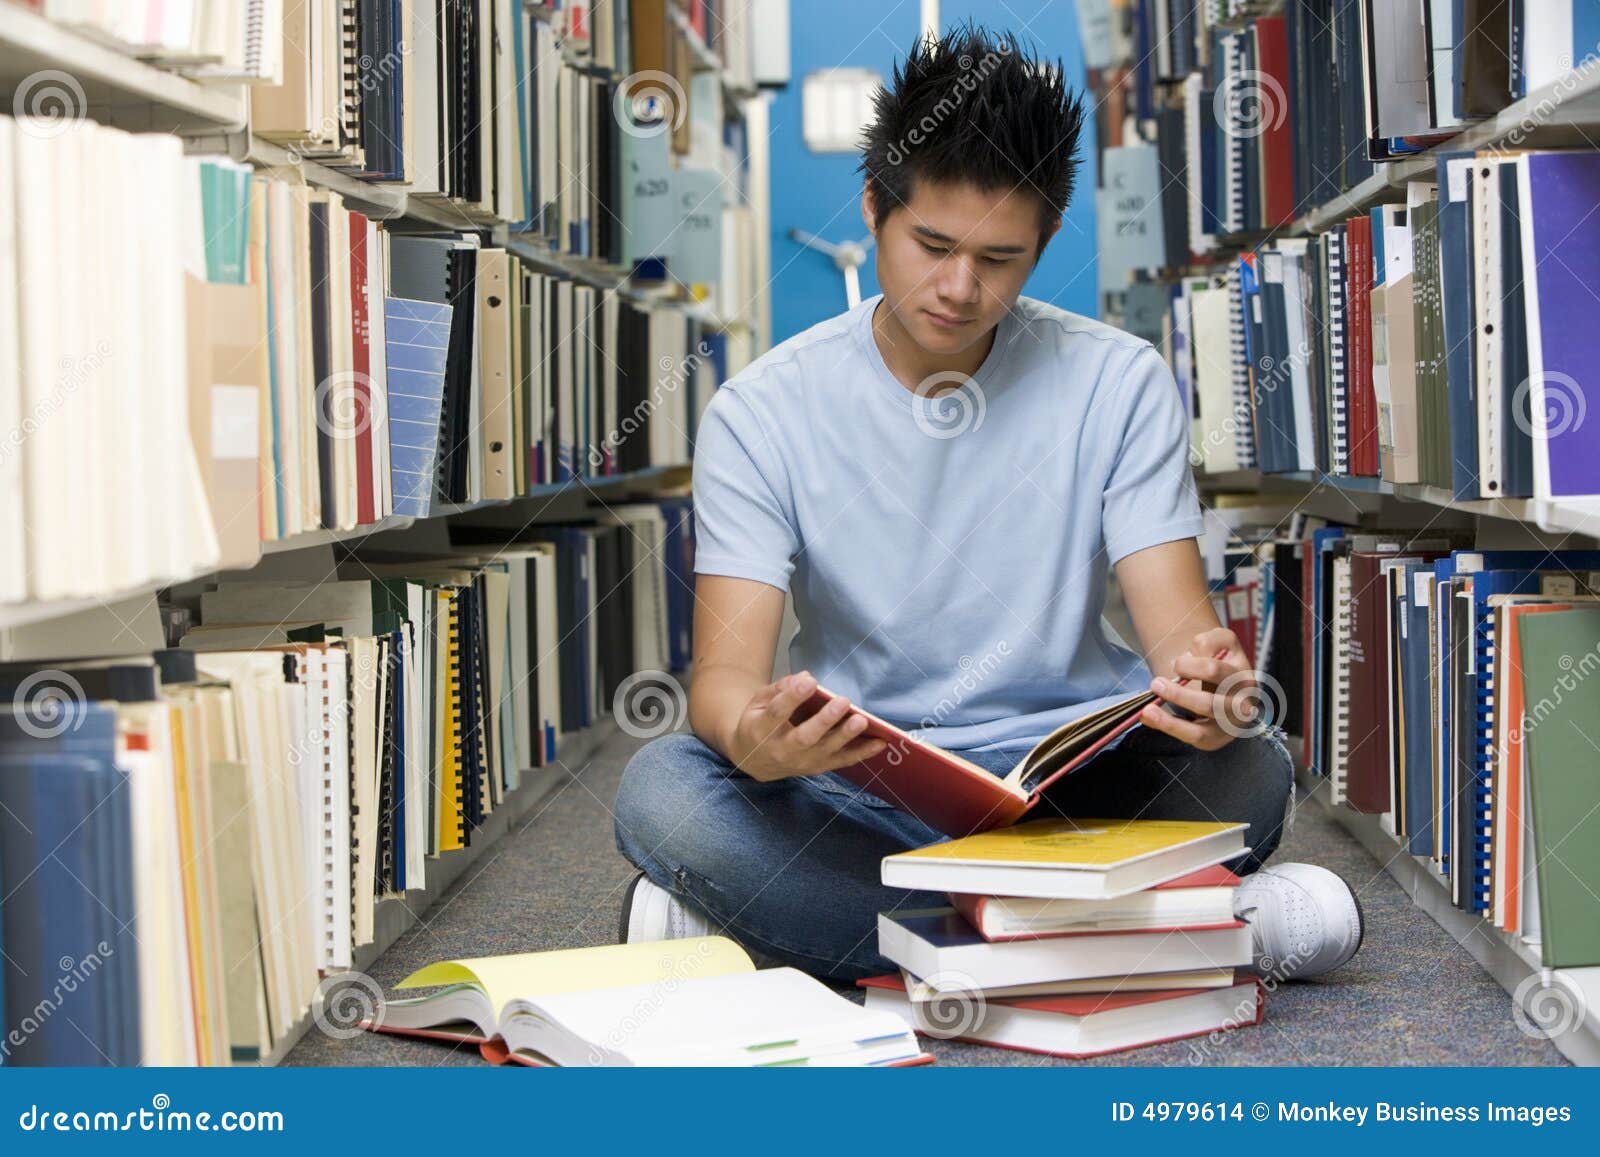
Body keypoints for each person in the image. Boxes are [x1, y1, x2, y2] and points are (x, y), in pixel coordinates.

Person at [612, 23, 1362, 984]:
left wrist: (1209, 695)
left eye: (1000, 259)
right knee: (664, 789)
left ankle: (854, 935)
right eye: (932, 244)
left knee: (1249, 766)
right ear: (876, 208)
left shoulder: (1119, 383)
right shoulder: (762, 410)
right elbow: (721, 685)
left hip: (1076, 790)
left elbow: (1182, 639)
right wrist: (755, 740)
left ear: (1046, 242)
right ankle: (1173, 928)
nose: (960, 289)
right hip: (863, 795)